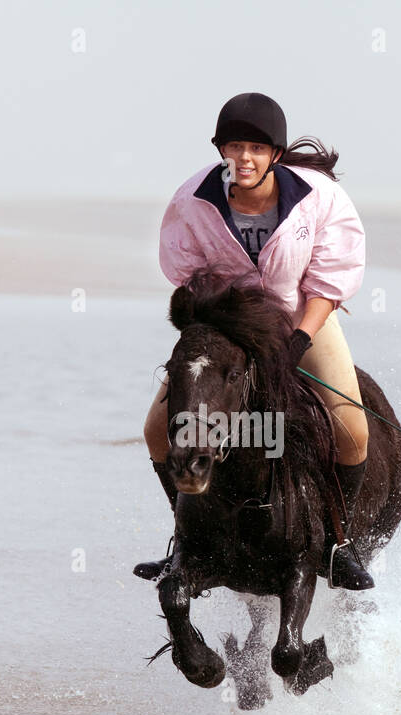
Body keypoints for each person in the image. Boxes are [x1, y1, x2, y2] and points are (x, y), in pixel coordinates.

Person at [135, 91, 374, 590]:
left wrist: (299, 340)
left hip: (301, 319)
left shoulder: (319, 198)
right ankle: (184, 542)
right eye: (235, 146)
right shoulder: (192, 201)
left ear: (276, 156)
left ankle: (337, 543)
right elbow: (186, 276)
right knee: (159, 430)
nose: (244, 159)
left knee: (353, 430)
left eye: (257, 149)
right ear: (221, 149)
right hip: (227, 332)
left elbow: (330, 280)